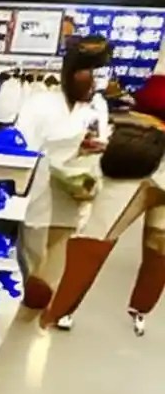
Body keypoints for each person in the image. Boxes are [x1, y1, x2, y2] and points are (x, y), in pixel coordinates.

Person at [40, 64, 165, 336]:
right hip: (145, 153)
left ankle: (140, 308)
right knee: (97, 237)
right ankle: (59, 309)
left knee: (158, 246)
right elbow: (156, 95)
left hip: (144, 150)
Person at [17, 36, 111, 330]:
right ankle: (28, 296)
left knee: (61, 248)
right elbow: (22, 146)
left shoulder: (97, 106)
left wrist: (96, 147)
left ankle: (44, 305)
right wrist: (71, 143)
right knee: (32, 248)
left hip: (74, 190)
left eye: (98, 74)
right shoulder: (40, 103)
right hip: (40, 188)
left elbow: (102, 140)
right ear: (71, 73)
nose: (94, 82)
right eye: (89, 73)